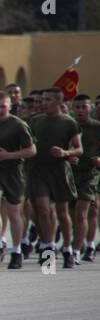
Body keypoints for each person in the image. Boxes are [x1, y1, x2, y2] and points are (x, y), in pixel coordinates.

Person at [28, 87, 82, 267]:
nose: (44, 103)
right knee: (43, 210)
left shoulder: (69, 122)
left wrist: (65, 152)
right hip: (38, 171)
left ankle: (67, 249)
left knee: (62, 211)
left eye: (49, 99)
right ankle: (48, 248)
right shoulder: (35, 121)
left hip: (59, 170)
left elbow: (79, 148)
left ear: (59, 102)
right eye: (43, 99)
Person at [0, 90, 35, 269]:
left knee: (14, 213)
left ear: (10, 106)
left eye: (3, 106)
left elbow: (31, 150)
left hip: (14, 172)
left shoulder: (18, 125)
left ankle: (17, 250)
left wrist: (9, 156)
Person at [71, 95, 100, 261]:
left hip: (90, 174)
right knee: (69, 212)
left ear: (90, 108)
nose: (81, 110)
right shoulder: (69, 125)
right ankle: (78, 241)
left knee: (85, 211)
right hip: (69, 174)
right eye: (78, 107)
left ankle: (80, 249)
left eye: (84, 107)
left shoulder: (97, 127)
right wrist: (68, 156)